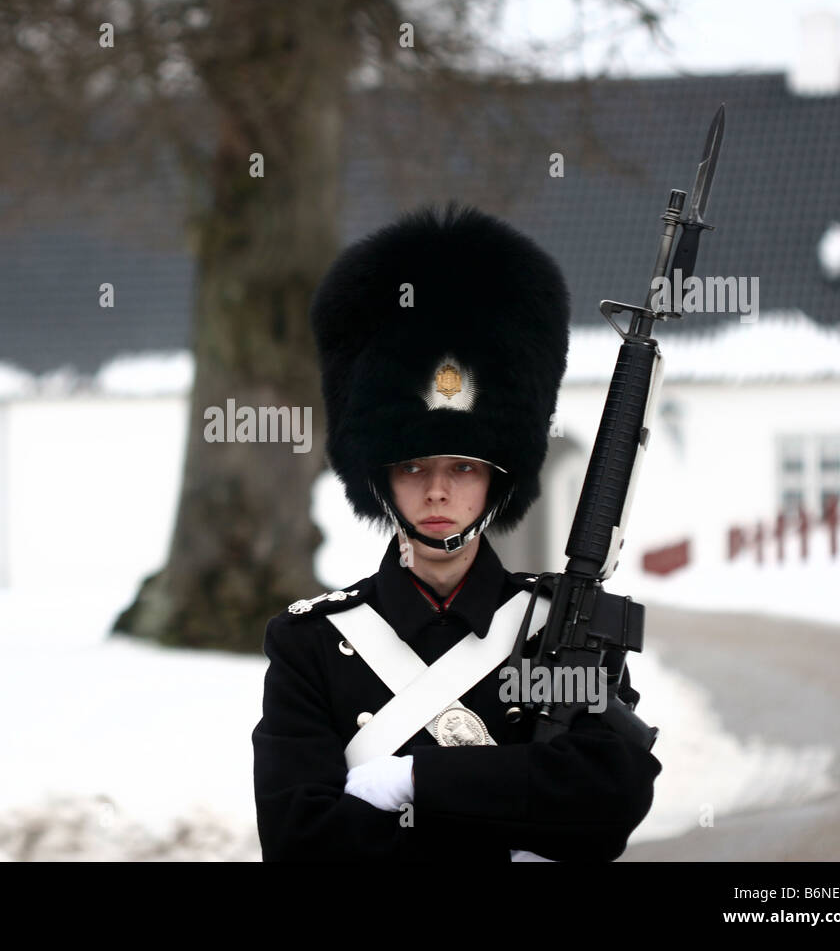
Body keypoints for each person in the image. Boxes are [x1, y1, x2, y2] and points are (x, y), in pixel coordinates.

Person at [251, 202, 662, 862]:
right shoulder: (312, 646)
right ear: (379, 477)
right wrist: (510, 829)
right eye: (414, 466)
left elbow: (608, 802)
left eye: (464, 467)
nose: (438, 490)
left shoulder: (557, 632)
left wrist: (415, 780)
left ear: (498, 479)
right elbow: (301, 841)